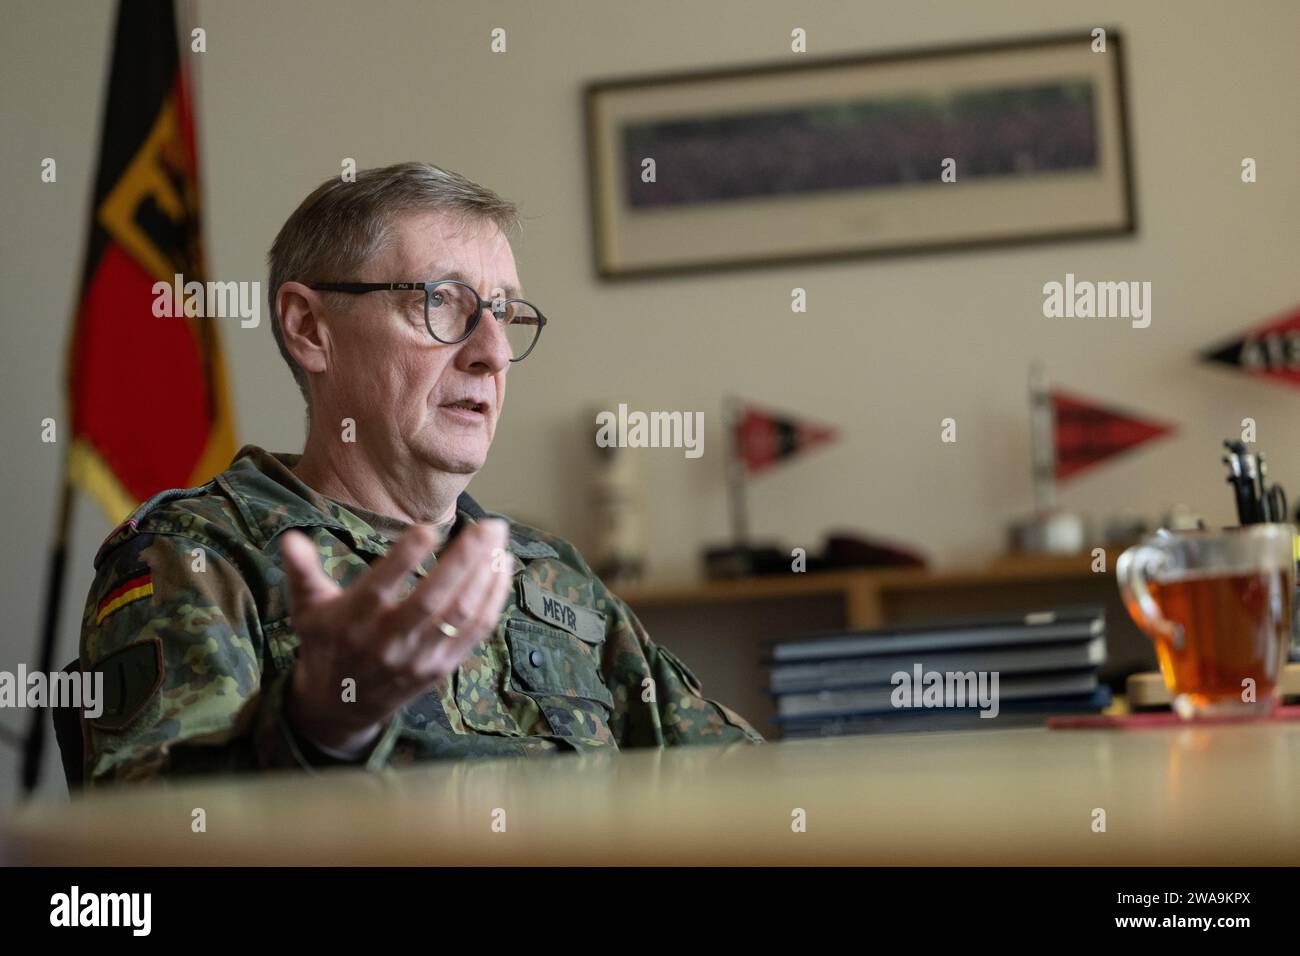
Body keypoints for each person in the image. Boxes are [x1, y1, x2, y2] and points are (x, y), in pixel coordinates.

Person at [78, 162, 762, 785]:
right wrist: (318, 728)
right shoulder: (198, 555)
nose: (493, 353)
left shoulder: (547, 570)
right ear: (309, 328)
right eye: (441, 302)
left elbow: (738, 775)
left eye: (504, 312)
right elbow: (149, 837)